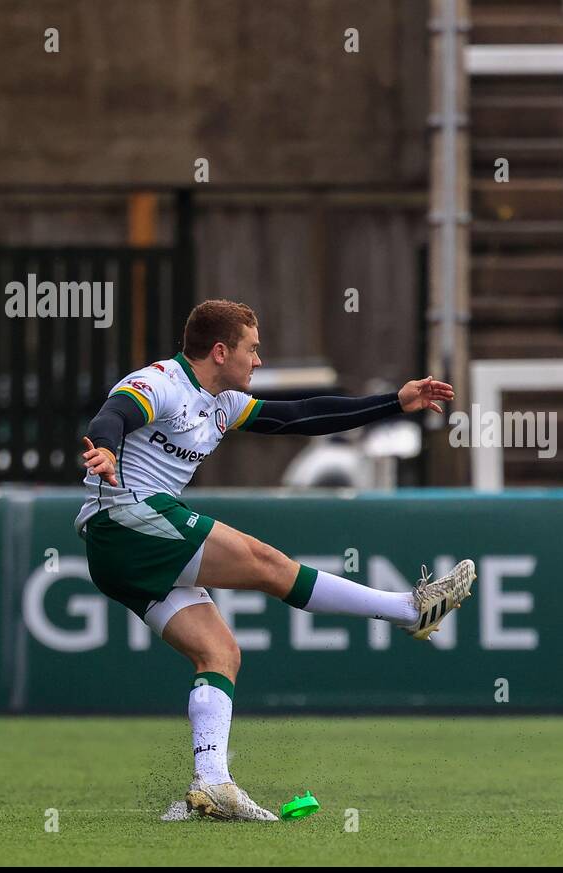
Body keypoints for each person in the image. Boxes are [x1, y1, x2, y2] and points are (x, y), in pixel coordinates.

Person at [76, 299, 475, 821]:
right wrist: (105, 448)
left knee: (220, 654)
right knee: (267, 563)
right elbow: (113, 415)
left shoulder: (220, 403)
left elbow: (300, 416)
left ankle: (212, 784)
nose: (258, 361)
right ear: (220, 351)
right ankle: (407, 609)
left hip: (124, 549)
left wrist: (393, 403)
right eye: (252, 349)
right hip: (125, 519)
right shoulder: (162, 383)